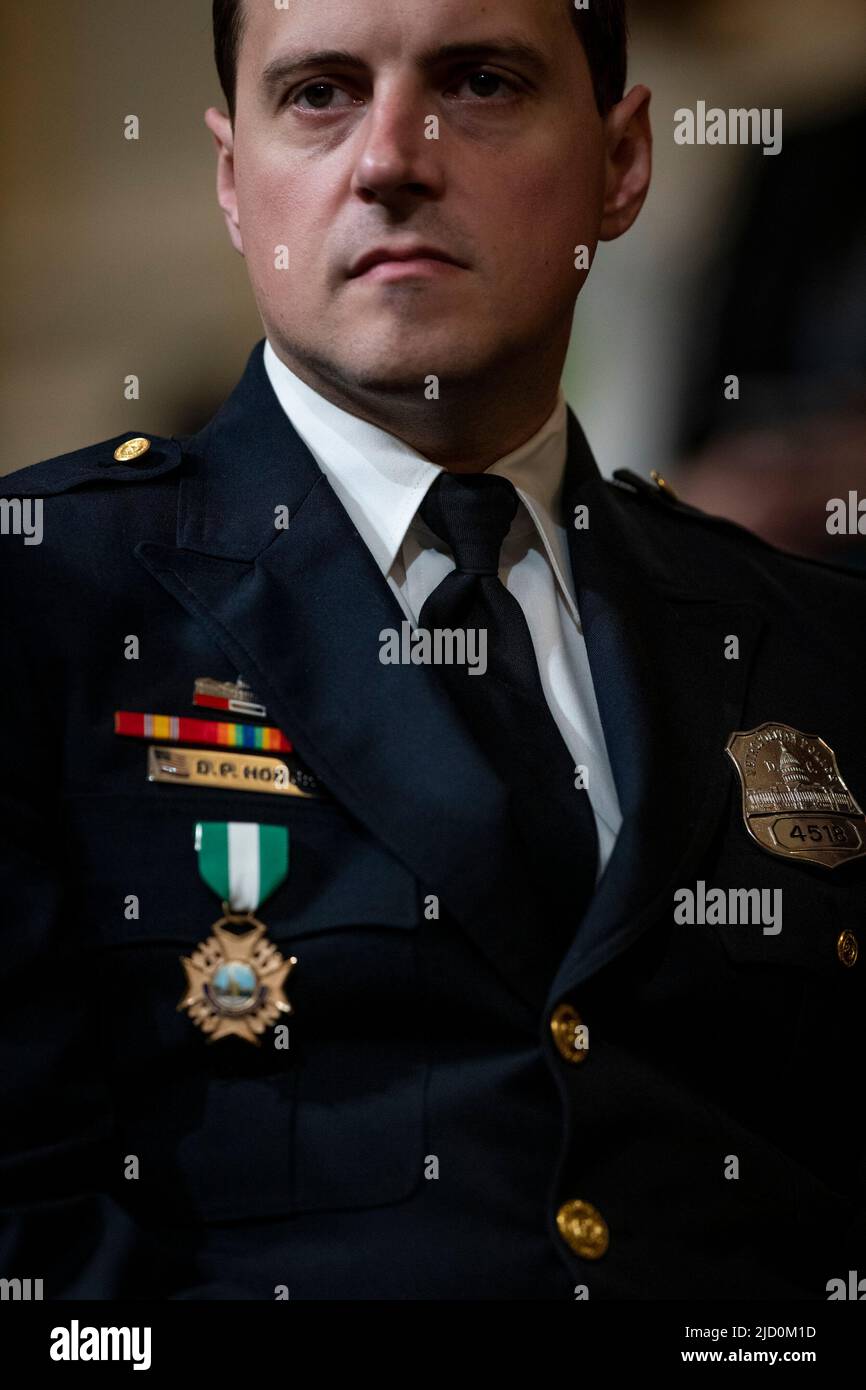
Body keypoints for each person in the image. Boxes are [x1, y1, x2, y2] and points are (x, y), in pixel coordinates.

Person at [1, 0, 864, 1302]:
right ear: (236, 180)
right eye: (317, 95)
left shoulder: (810, 640)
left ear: (619, 163)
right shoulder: (40, 601)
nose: (392, 156)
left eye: (479, 81)